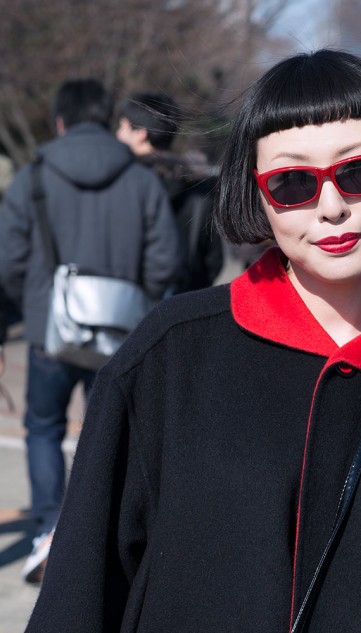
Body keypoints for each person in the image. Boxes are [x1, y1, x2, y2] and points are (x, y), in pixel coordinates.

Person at [26, 50, 361, 632]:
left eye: (359, 172)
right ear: (256, 192)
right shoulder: (171, 355)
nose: (332, 208)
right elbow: (82, 587)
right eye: (292, 182)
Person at [0, 78, 180, 584]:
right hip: (121, 334)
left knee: (43, 427)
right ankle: (98, 537)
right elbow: (166, 257)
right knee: (111, 433)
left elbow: (8, 258)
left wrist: (35, 305)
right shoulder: (141, 180)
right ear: (106, 119)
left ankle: (47, 530)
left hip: (48, 334)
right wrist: (134, 301)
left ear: (58, 121)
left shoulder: (32, 177)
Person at [117, 91, 225, 293]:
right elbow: (214, 261)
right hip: (183, 302)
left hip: (126, 303)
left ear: (141, 134)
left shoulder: (123, 183)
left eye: (123, 127)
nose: (118, 134)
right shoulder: (199, 187)